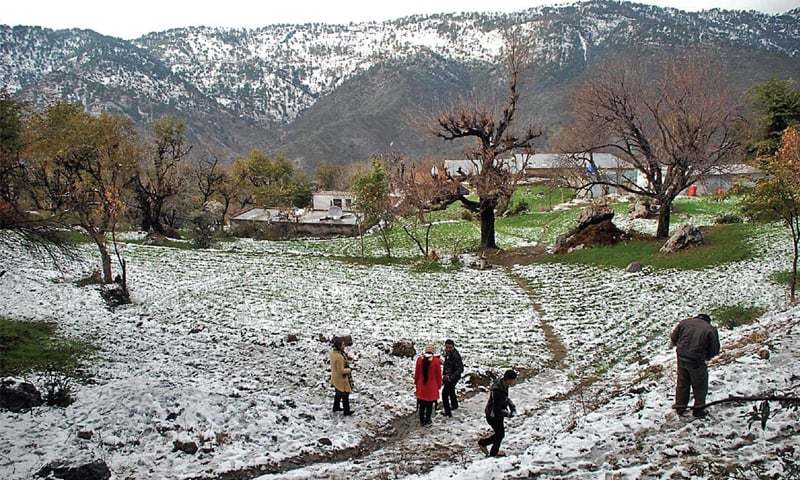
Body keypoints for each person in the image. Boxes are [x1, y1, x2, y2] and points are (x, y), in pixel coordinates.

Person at [670, 313, 720, 418]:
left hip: (681, 357)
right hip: (696, 360)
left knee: (682, 382)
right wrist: (707, 357)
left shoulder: (684, 323)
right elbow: (715, 349)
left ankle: (680, 407)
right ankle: (698, 410)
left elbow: (674, 338)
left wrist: (680, 346)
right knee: (700, 385)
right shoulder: (710, 329)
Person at [478, 369, 517, 457]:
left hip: (498, 414)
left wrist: (511, 405)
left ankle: (492, 450)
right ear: (509, 379)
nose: (514, 382)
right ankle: (484, 444)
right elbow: (496, 408)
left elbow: (505, 398)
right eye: (513, 380)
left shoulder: (503, 385)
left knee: (500, 434)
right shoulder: (497, 390)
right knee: (500, 434)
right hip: (493, 415)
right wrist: (508, 414)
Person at [414, 344, 442, 427]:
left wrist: (416, 383)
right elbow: (438, 375)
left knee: (422, 404)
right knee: (429, 405)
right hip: (432, 387)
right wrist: (439, 385)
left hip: (421, 385)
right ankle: (427, 420)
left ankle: (421, 420)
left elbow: (417, 373)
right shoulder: (436, 361)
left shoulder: (419, 360)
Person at [330, 337, 355, 416]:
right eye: (343, 345)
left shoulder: (333, 353)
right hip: (341, 379)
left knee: (338, 393)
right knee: (345, 395)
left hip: (335, 377)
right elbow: (341, 370)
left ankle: (336, 407)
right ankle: (346, 411)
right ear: (339, 346)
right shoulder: (340, 357)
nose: (344, 346)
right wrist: (349, 370)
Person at [441, 339, 464, 417]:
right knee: (451, 390)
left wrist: (450, 377)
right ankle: (454, 405)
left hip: (453, 377)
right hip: (449, 376)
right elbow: (449, 364)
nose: (448, 349)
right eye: (447, 347)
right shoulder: (449, 353)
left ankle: (447, 412)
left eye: (450, 347)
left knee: (444, 394)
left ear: (453, 347)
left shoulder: (455, 356)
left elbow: (460, 369)